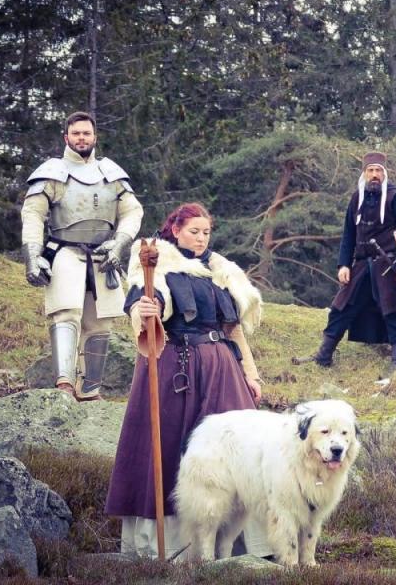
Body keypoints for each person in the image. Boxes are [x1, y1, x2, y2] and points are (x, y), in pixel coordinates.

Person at [104, 202, 265, 559]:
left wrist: (250, 374)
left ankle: (241, 545)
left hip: (223, 369)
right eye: (194, 231)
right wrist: (145, 309)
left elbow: (233, 329)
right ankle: (176, 547)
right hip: (177, 368)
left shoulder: (221, 270)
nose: (201, 238)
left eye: (206, 232)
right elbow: (145, 297)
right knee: (174, 450)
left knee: (238, 450)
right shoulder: (155, 261)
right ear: (175, 230)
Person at [21, 111, 144, 401]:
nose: (81, 138)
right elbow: (33, 215)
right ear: (66, 137)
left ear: (94, 137)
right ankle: (64, 383)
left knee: (101, 322)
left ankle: (90, 389)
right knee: (66, 313)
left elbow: (133, 212)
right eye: (76, 133)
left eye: (86, 133)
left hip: (103, 255)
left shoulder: (111, 173)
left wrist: (119, 245)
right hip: (64, 251)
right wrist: (32, 254)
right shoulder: (51, 172)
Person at [293, 151, 396, 376]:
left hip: (388, 263)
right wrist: (343, 264)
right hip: (361, 263)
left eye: (378, 171)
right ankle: (323, 355)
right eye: (370, 171)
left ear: (384, 173)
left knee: (393, 308)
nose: (374, 175)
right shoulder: (357, 198)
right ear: (364, 173)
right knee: (341, 307)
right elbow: (349, 233)